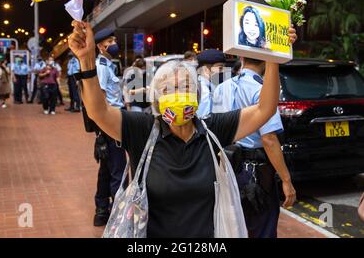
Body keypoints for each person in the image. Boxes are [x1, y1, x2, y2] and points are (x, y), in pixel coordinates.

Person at [68, 20, 297, 238]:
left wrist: (273, 58)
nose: (177, 93)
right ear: (157, 97)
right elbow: (98, 111)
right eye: (169, 88)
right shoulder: (142, 130)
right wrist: (87, 62)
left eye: (185, 86)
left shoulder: (212, 130)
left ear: (197, 94)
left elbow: (264, 109)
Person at [213, 57, 297, 238]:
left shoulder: (221, 88)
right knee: (262, 229)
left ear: (242, 58)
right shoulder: (263, 91)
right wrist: (286, 180)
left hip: (227, 168)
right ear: (266, 62)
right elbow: (269, 139)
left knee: (233, 229)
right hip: (256, 173)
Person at [92, 28, 127, 227]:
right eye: (110, 40)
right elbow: (101, 99)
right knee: (118, 169)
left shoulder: (108, 65)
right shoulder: (102, 67)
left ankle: (101, 210)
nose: (114, 43)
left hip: (111, 121)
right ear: (100, 46)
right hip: (111, 122)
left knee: (106, 169)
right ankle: (118, 216)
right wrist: (104, 129)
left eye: (114, 39)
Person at [196, 49, 227, 118]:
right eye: (220, 67)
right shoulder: (201, 89)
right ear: (205, 69)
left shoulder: (212, 85)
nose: (223, 71)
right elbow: (204, 117)